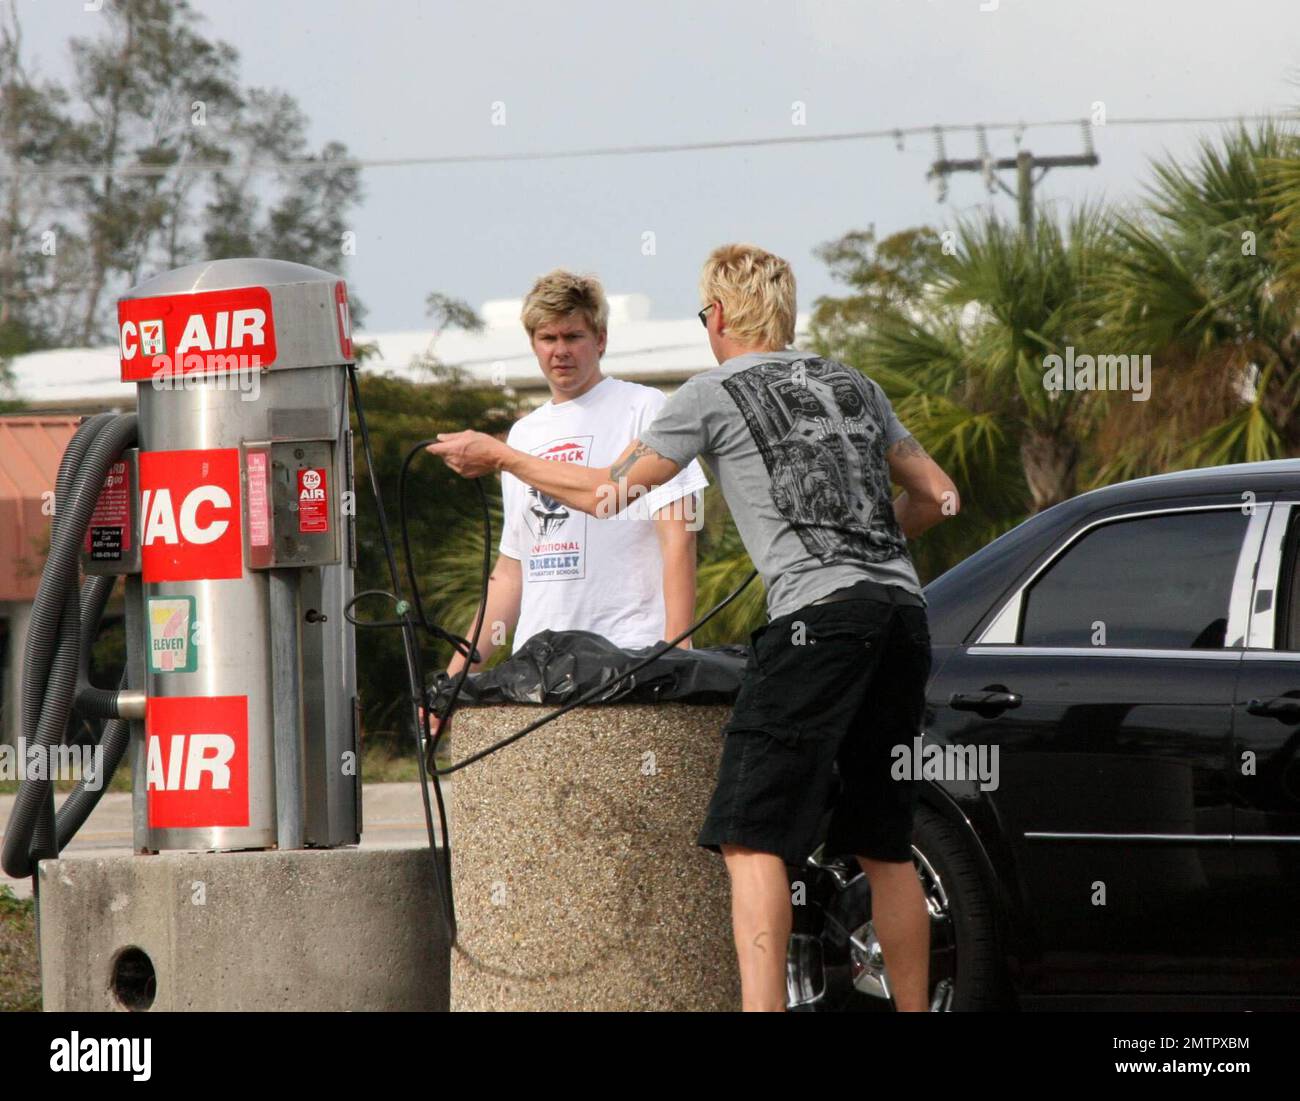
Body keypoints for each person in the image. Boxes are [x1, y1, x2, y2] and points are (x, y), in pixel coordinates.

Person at [428, 243, 960, 1012]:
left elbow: (609, 495)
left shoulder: (709, 392)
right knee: (885, 843)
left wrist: (502, 454)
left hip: (818, 623)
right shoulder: (856, 383)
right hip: (902, 617)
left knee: (751, 837)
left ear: (716, 316)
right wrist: (865, 544)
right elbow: (939, 494)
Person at [422, 270, 709, 744]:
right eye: (547, 337)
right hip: (537, 672)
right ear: (532, 342)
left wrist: (677, 655)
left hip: (630, 656)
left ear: (600, 338)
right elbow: (511, 573)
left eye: (574, 336)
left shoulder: (645, 408)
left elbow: (678, 537)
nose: (561, 350)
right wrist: (453, 681)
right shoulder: (525, 434)